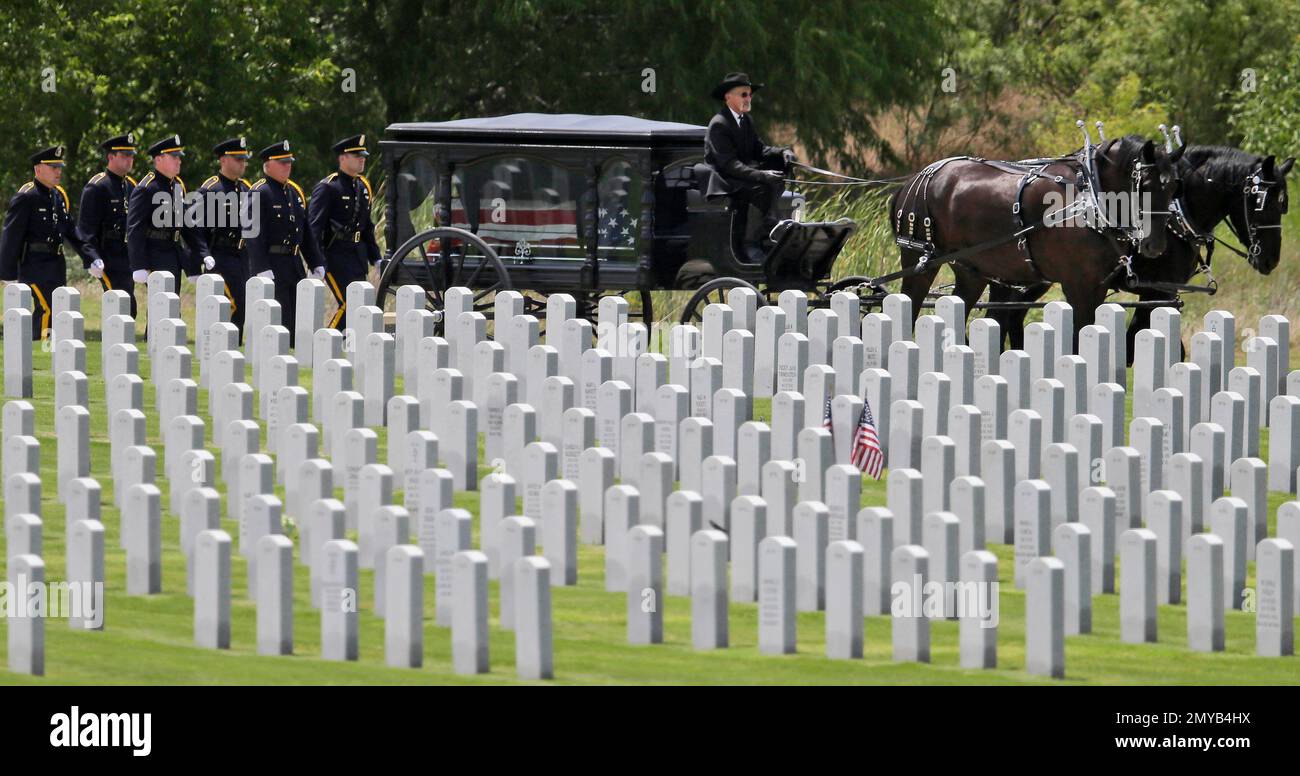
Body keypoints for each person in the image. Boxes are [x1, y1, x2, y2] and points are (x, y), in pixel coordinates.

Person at [0, 145, 102, 339]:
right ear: (38, 170)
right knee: (48, 307)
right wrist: (8, 273)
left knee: (56, 308)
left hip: (56, 264)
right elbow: (10, 236)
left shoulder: (58, 195)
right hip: (33, 266)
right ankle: (45, 350)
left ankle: (39, 348)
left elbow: (71, 230)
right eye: (53, 167)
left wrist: (91, 256)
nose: (58, 171)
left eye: (59, 167)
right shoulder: (26, 196)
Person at [701, 72, 796, 262]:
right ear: (729, 97)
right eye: (743, 94)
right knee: (761, 187)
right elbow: (729, 164)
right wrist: (761, 175)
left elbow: (759, 149)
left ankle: (769, 229)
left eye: (750, 94)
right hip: (724, 180)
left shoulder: (745, 121)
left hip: (739, 174)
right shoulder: (719, 124)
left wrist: (782, 152)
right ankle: (750, 244)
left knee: (777, 179)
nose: (748, 98)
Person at [246, 139, 325, 347]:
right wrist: (261, 267)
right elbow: (252, 235)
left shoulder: (294, 191)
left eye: (289, 162)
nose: (287, 166)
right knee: (279, 319)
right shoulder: (258, 191)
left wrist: (316, 261)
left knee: (297, 319)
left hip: (293, 262)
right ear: (268, 165)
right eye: (282, 162)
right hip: (272, 264)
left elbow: (305, 231)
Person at [310, 133, 380, 330]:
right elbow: (314, 228)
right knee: (348, 303)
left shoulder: (362, 186)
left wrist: (376, 257)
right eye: (356, 156)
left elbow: (367, 226)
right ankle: (327, 340)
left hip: (357, 256)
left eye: (363, 155)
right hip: (335, 256)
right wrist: (315, 261)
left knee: (360, 306)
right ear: (342, 158)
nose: (362, 159)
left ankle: (348, 347)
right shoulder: (328, 187)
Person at [127, 134, 214, 285]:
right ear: (159, 159)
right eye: (174, 157)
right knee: (161, 304)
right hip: (155, 254)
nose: (179, 161)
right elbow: (135, 228)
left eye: (179, 157)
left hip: (174, 253)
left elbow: (187, 224)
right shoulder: (147, 188)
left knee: (172, 304)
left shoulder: (177, 185)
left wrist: (203, 252)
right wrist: (138, 264)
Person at [77, 133, 139, 316]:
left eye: (131, 155)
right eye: (124, 155)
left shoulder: (131, 186)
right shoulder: (97, 186)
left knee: (129, 307)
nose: (130, 160)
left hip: (127, 256)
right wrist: (92, 257)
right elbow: (86, 229)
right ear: (111, 157)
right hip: (107, 257)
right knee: (121, 305)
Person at [198, 137, 254, 340]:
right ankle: (222, 344)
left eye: (244, 159)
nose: (242, 163)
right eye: (237, 159)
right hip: (221, 256)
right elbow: (196, 229)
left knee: (245, 305)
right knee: (235, 304)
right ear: (223, 160)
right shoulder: (211, 189)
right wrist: (202, 257)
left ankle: (232, 348)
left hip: (243, 256)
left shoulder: (247, 189)